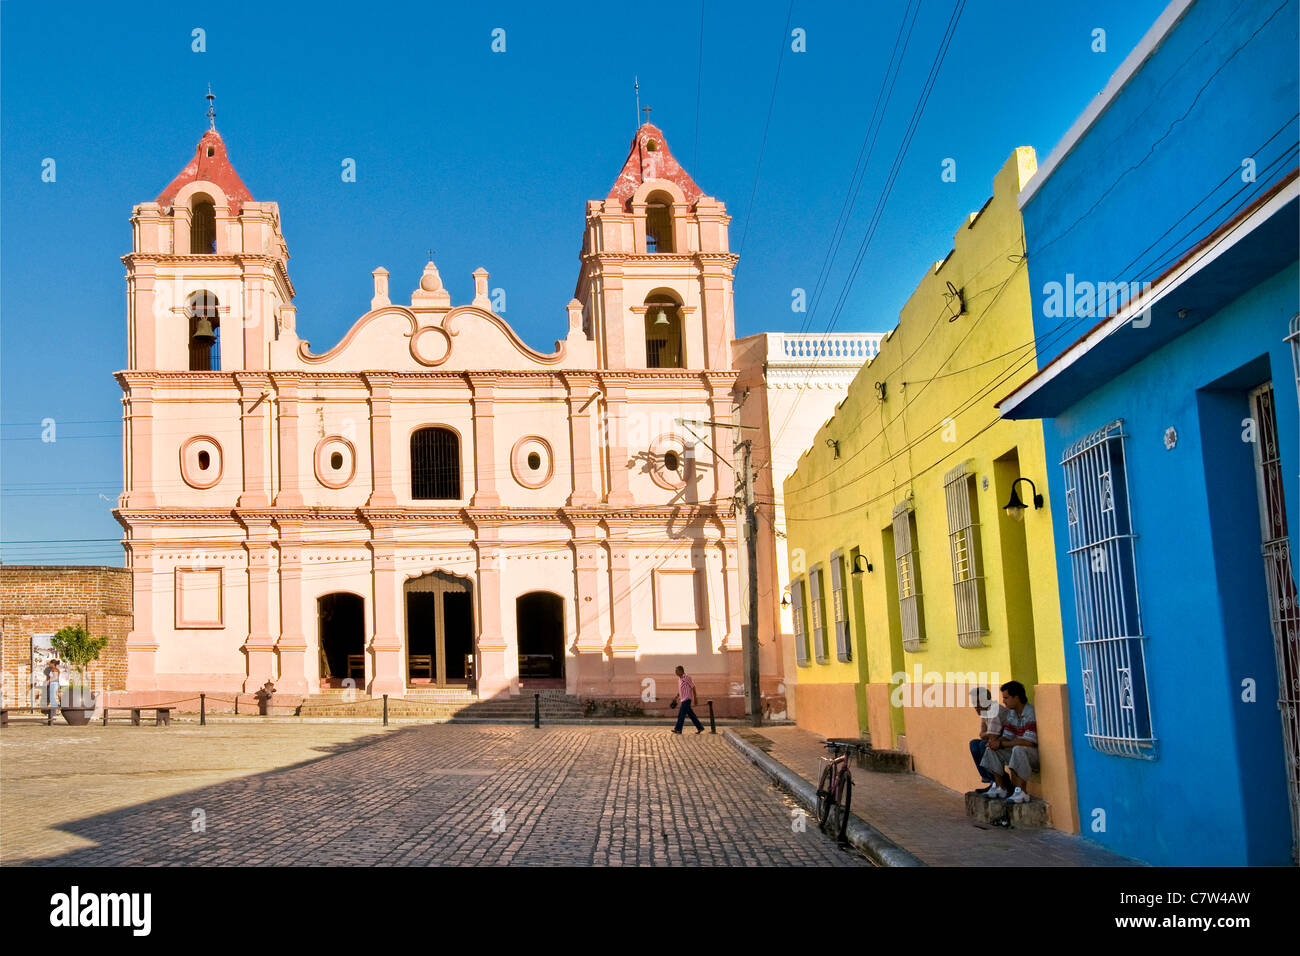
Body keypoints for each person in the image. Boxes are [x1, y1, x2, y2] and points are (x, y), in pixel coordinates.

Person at [980, 680, 1039, 803]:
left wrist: (1001, 743)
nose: (1004, 701)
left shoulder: (1030, 713)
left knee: (1018, 750)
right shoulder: (1012, 713)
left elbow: (1029, 742)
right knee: (991, 749)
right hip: (1018, 749)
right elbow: (1007, 735)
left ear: (1016, 697)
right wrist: (996, 743)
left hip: (1033, 754)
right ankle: (1001, 788)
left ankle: (1022, 792)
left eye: (1006, 698)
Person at [969, 687, 1008, 793]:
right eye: (974, 703)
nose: (976, 706)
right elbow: (983, 734)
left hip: (1007, 744)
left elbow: (992, 737)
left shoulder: (994, 710)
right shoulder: (985, 711)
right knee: (974, 744)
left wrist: (988, 734)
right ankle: (992, 781)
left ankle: (1002, 782)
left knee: (983, 745)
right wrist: (988, 733)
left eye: (978, 702)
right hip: (997, 742)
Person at [671, 665, 704, 735]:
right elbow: (681, 689)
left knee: (681, 714)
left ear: (681, 671)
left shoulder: (687, 677)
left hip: (687, 699)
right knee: (691, 715)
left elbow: (693, 687)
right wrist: (676, 697)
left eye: (676, 671)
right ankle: (700, 727)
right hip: (683, 699)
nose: (675, 672)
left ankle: (678, 729)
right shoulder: (679, 679)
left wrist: (695, 698)